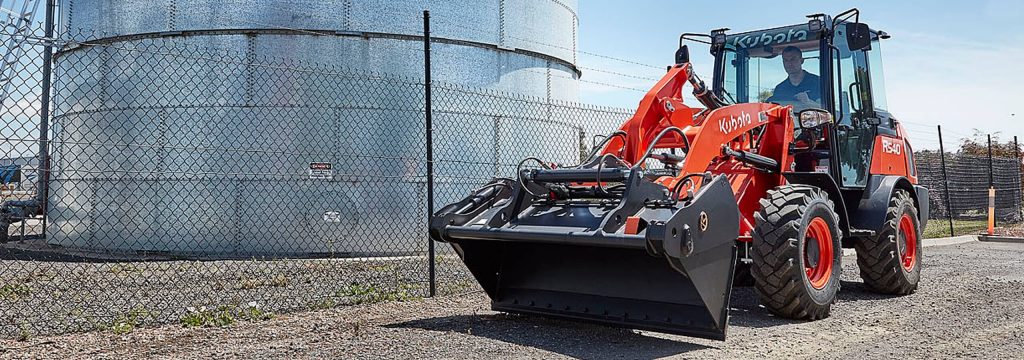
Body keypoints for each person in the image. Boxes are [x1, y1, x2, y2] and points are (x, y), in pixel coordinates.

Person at [770, 46, 822, 111]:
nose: (789, 64)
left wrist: (808, 102)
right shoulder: (780, 89)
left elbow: (827, 110)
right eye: (785, 60)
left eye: (793, 59)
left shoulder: (818, 82)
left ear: (802, 60)